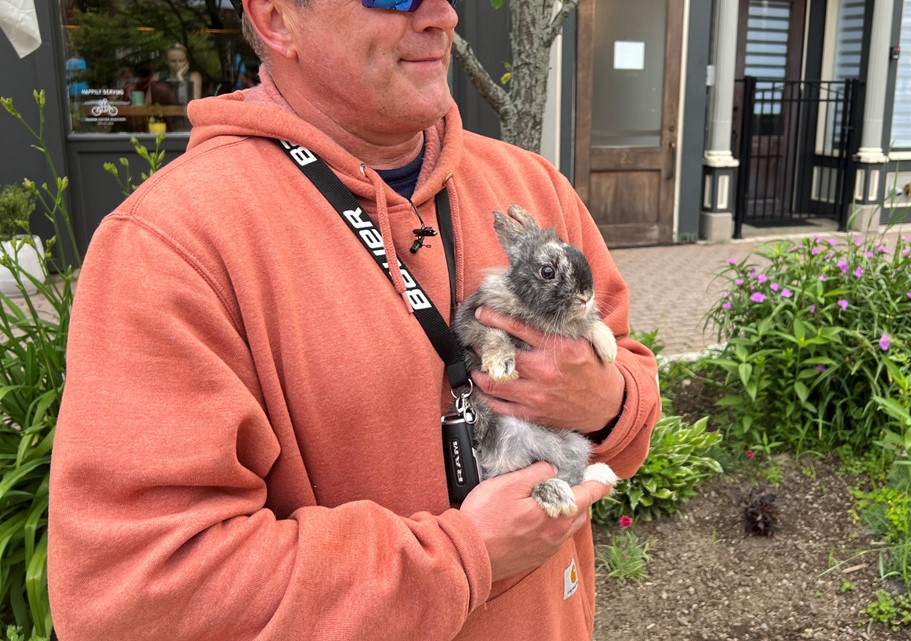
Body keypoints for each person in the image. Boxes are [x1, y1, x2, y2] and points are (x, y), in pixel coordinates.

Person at [46, 0, 661, 640]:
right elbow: (132, 593)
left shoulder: (530, 184)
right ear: (276, 18)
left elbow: (630, 392)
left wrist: (606, 401)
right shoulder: (171, 243)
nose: (443, 16)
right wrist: (461, 558)